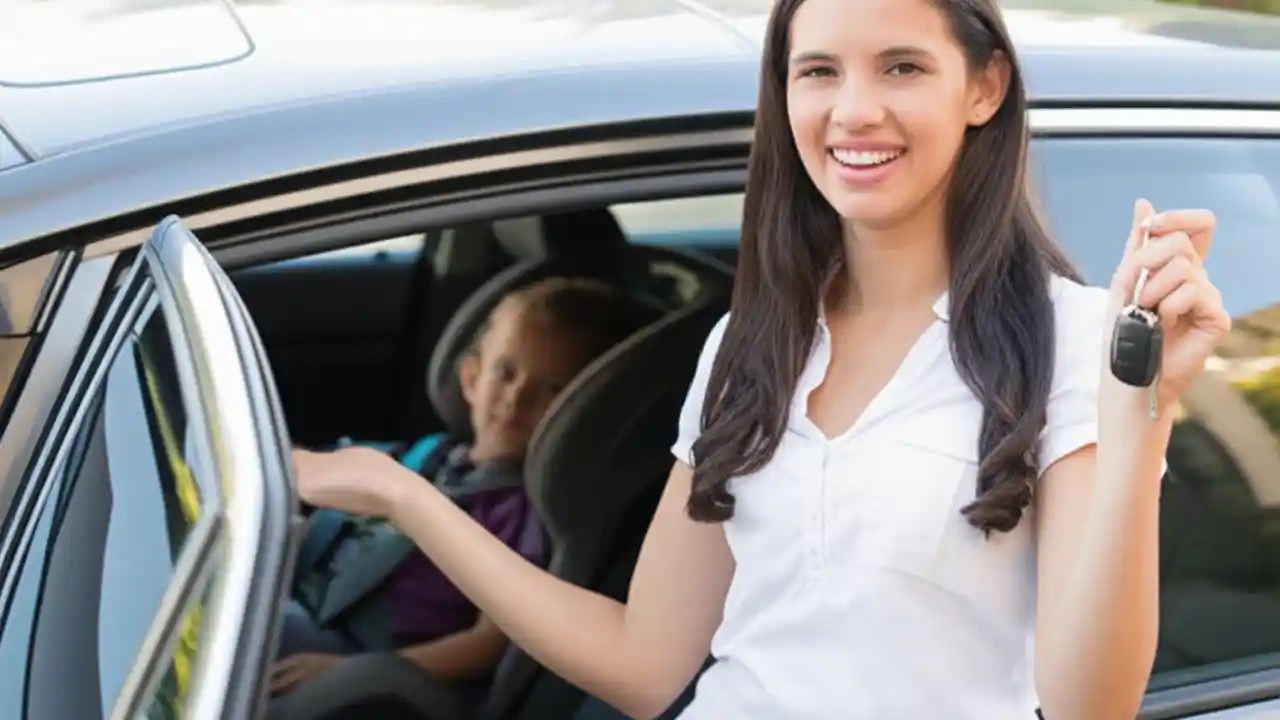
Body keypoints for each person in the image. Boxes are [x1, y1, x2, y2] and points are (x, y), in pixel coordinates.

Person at [290, 0, 1233, 717]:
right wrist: (402, 496)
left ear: (983, 87)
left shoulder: (1075, 341)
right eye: (817, 72)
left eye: (902, 67)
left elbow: (1088, 706)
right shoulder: (751, 343)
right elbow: (645, 663)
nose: (854, 111)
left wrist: (1138, 424)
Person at [271, 276, 637, 715]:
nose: (515, 397)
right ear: (471, 377)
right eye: (506, 371)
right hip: (320, 614)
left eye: (552, 388)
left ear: (581, 414)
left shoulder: (527, 515)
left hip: (386, 668)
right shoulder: (430, 455)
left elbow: (486, 644)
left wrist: (350, 667)